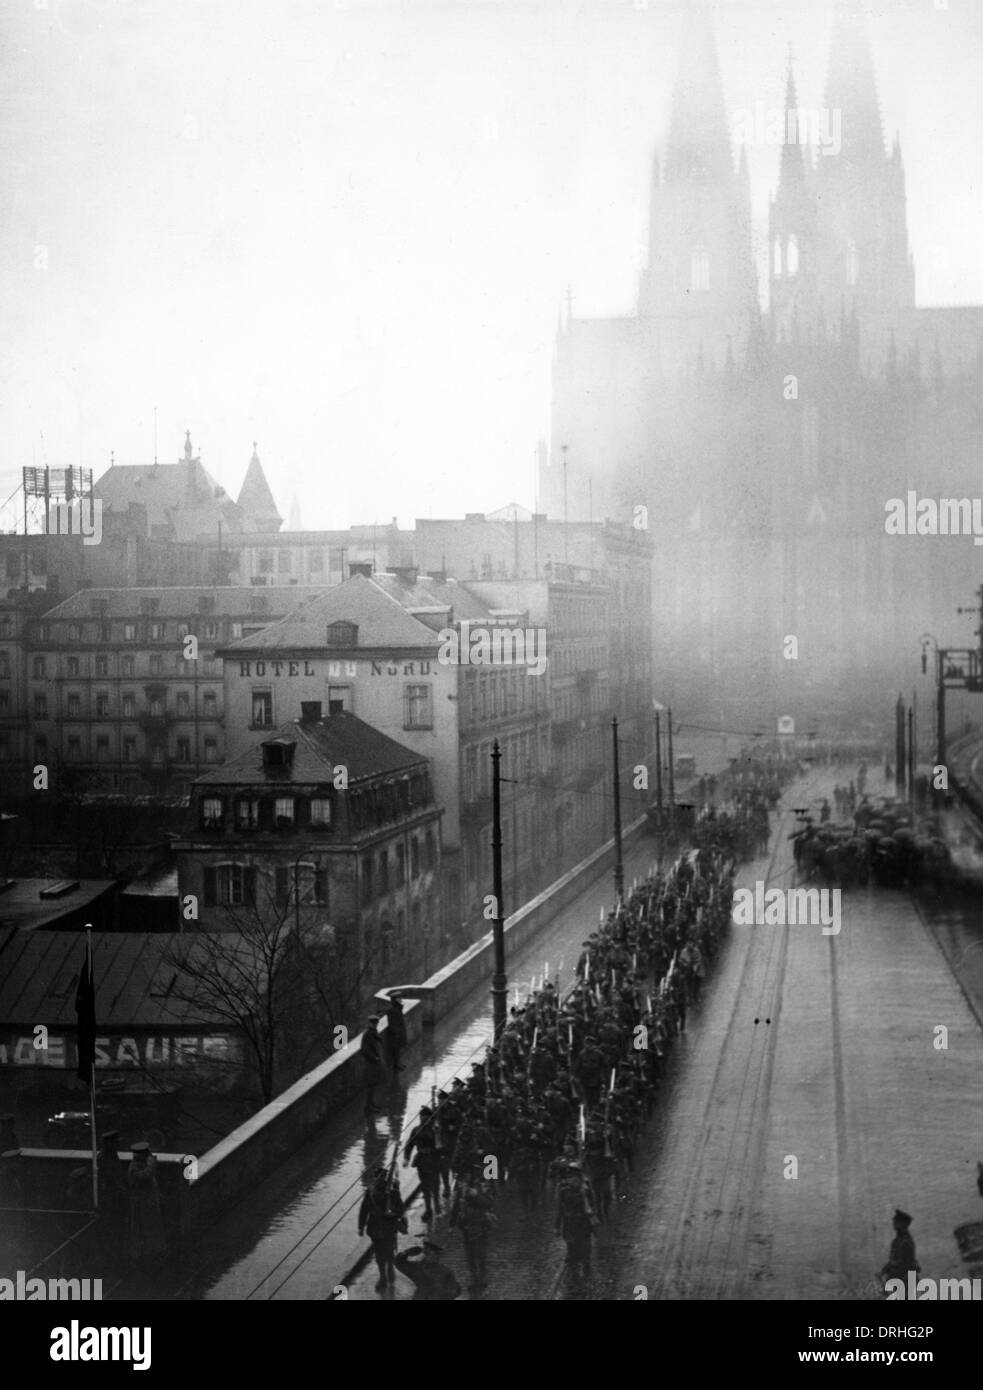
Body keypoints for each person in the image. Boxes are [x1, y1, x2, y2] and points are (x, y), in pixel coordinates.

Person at [357, 1170, 405, 1291]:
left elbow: (401, 1208)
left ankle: (390, 1268)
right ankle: (382, 1277)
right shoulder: (370, 1192)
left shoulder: (392, 1192)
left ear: (385, 1178)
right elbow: (364, 1209)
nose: (378, 1179)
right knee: (379, 1255)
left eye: (381, 1177)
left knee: (389, 1252)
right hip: (375, 1228)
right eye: (377, 1177)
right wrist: (361, 1226)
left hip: (389, 1227)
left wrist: (392, 1213)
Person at [450, 1176, 496, 1295]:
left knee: (481, 1256)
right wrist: (451, 1225)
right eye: (461, 1181)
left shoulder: (481, 1188)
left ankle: (482, 1281)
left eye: (464, 1181)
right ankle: (474, 1280)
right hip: (466, 1230)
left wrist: (476, 1196)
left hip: (480, 1229)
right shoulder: (461, 1192)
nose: (462, 1183)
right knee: (470, 1257)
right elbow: (456, 1208)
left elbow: (488, 1204)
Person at [127, 1141, 165, 1263]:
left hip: (149, 1202)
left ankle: (153, 1253)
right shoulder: (135, 1167)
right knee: (144, 1229)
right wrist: (151, 1164)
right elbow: (147, 1175)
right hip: (141, 1205)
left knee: (152, 1227)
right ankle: (144, 1257)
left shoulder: (141, 1164)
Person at [394, 1240, 461, 1300]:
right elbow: (399, 1264)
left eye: (429, 1252)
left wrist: (405, 1253)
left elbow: (455, 1291)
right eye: (426, 1252)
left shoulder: (445, 1271)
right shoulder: (418, 1268)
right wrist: (405, 1253)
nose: (427, 1255)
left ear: (437, 1255)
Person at [879, 1209, 920, 1288]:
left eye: (896, 1221)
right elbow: (893, 1261)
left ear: (902, 1224)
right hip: (898, 1281)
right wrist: (883, 1272)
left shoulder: (905, 1242)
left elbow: (905, 1265)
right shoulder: (897, 1240)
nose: (893, 1222)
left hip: (904, 1282)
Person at [360, 1015, 388, 1116]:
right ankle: (368, 1107)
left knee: (374, 1085)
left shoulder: (373, 1032)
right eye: (373, 1023)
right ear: (370, 1023)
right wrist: (374, 1058)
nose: (375, 1025)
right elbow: (364, 1049)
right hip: (371, 1064)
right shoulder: (367, 1034)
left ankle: (371, 1104)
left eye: (376, 1023)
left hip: (375, 1064)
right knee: (371, 1085)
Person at [384, 993, 407, 1074]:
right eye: (399, 998)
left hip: (398, 1032)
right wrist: (396, 1032)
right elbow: (392, 1023)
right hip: (395, 1033)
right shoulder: (392, 1010)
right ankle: (396, 1064)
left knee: (398, 1049)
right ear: (396, 1000)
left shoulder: (398, 1008)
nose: (401, 999)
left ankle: (398, 1063)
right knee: (395, 1049)